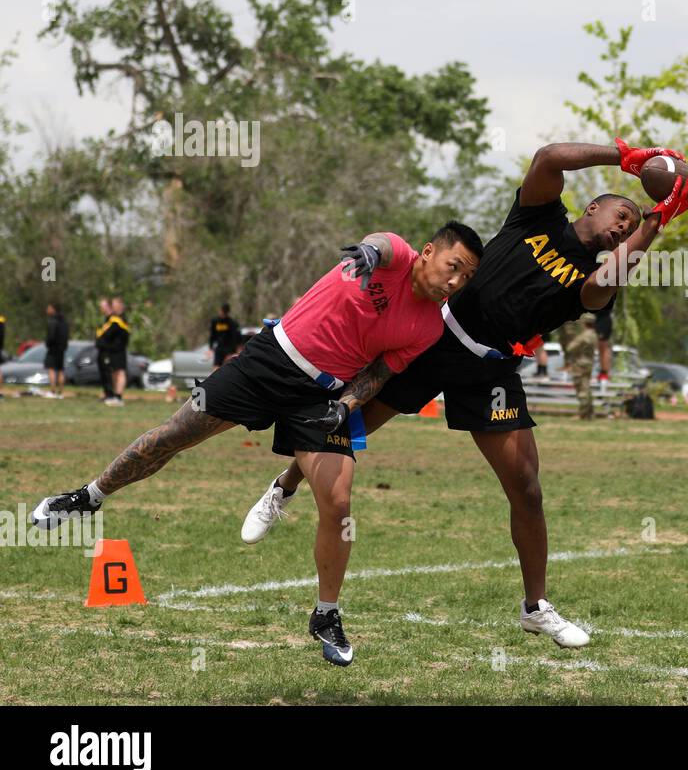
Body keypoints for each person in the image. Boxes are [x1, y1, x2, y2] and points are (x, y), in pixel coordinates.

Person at [249, 138, 688, 649]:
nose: (624, 224)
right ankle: (284, 487)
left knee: (527, 487)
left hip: (490, 371)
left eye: (630, 223)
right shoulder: (540, 216)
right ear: (592, 206)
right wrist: (626, 155)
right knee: (343, 429)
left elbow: (601, 292)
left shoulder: (593, 274)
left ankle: (536, 608)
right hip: (431, 339)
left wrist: (656, 221)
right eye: (621, 212)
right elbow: (549, 158)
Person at [31, 223, 482, 667]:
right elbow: (380, 245)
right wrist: (367, 253)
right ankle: (86, 498)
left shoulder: (428, 328)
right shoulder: (397, 255)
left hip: (320, 395)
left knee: (339, 503)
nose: (456, 281)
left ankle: (325, 614)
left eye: (466, 277)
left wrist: (345, 406)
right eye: (453, 266)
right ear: (427, 252)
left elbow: (379, 373)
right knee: (172, 436)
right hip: (269, 360)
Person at [557, 312, 599, 419]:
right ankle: (590, 412)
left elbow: (570, 348)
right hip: (588, 363)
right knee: (587, 387)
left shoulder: (584, 336)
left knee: (582, 388)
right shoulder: (594, 334)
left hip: (580, 364)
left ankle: (583, 413)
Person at [44, 303, 69, 398]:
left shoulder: (52, 321)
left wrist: (48, 344)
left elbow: (51, 336)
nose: (47, 310)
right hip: (62, 349)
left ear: (53, 309)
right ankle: (61, 392)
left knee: (51, 369)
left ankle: (52, 391)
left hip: (53, 348)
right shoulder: (64, 321)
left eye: (49, 308)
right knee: (61, 369)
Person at [209, 303, 241, 368]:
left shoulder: (231, 322)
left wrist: (232, 351)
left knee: (227, 366)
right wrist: (211, 347)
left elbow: (234, 337)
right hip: (219, 347)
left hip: (228, 348)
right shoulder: (215, 321)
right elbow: (212, 335)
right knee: (216, 367)